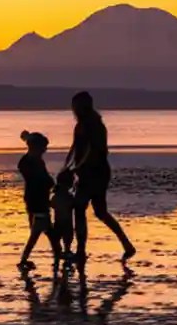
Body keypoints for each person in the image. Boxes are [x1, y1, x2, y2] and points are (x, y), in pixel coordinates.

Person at [61, 91, 135, 268]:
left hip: (96, 172)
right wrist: (67, 166)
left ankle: (80, 252)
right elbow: (75, 148)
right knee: (98, 212)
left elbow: (93, 150)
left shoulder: (95, 125)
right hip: (86, 172)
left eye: (76, 105)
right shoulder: (80, 126)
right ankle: (126, 245)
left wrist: (78, 168)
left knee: (83, 209)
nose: (73, 109)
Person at [17, 130, 62, 271]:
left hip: (36, 199)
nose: (45, 150)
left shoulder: (30, 161)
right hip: (37, 200)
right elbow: (41, 179)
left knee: (41, 232)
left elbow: (44, 178)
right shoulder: (30, 162)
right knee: (42, 232)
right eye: (43, 148)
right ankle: (56, 256)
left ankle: (56, 256)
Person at [51, 170, 76, 264]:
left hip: (59, 221)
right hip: (66, 221)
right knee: (67, 237)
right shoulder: (68, 196)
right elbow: (73, 205)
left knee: (60, 238)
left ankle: (61, 252)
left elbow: (52, 205)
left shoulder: (56, 195)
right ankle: (66, 251)